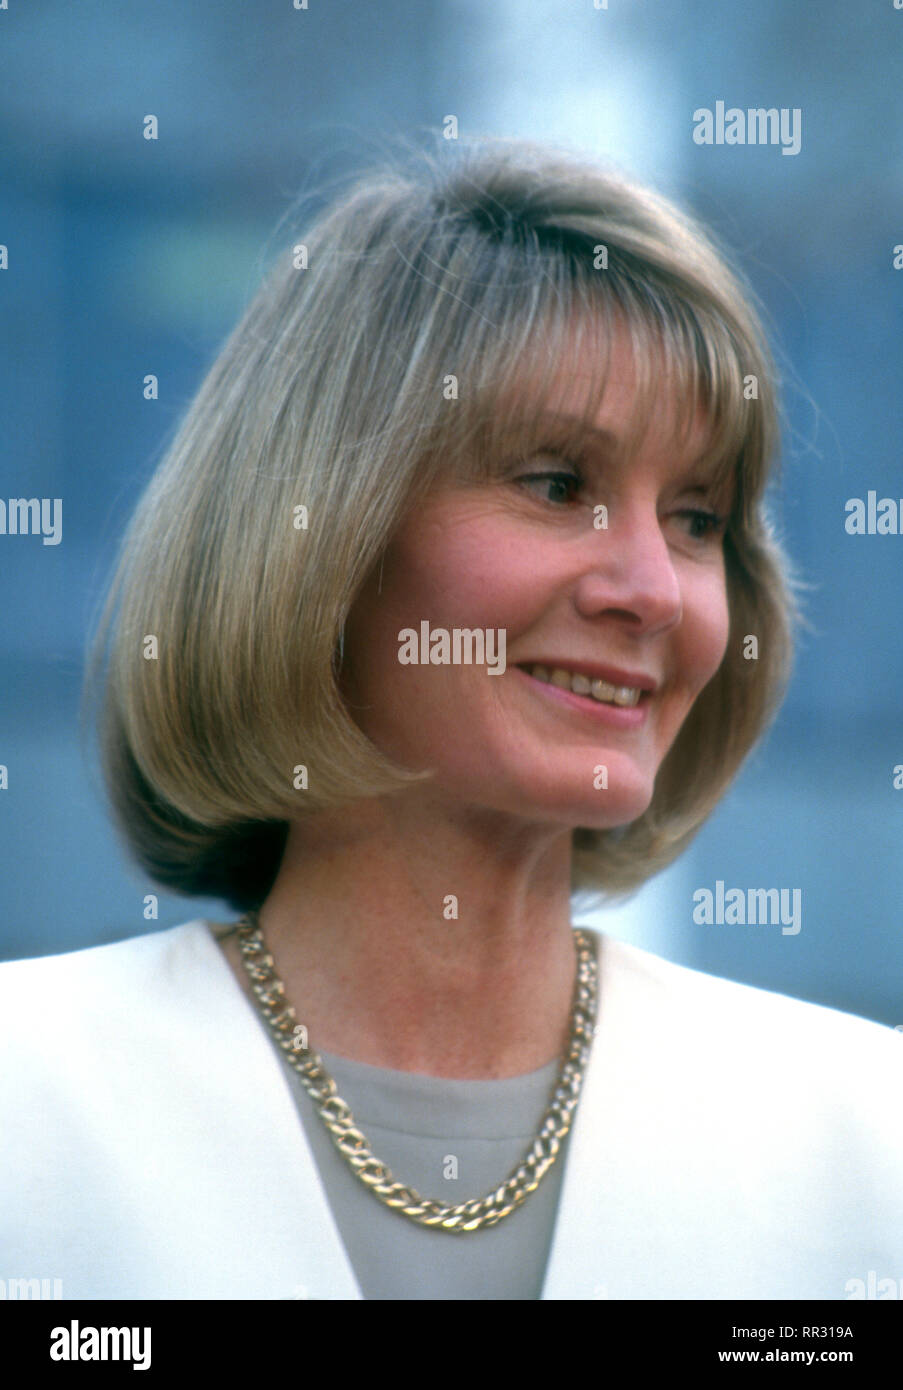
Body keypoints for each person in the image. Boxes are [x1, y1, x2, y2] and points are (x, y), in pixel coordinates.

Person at [2, 139, 901, 1301]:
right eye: (556, 484)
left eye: (695, 517)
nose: (651, 587)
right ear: (322, 534)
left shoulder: (864, 1141)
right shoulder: (29, 1105)